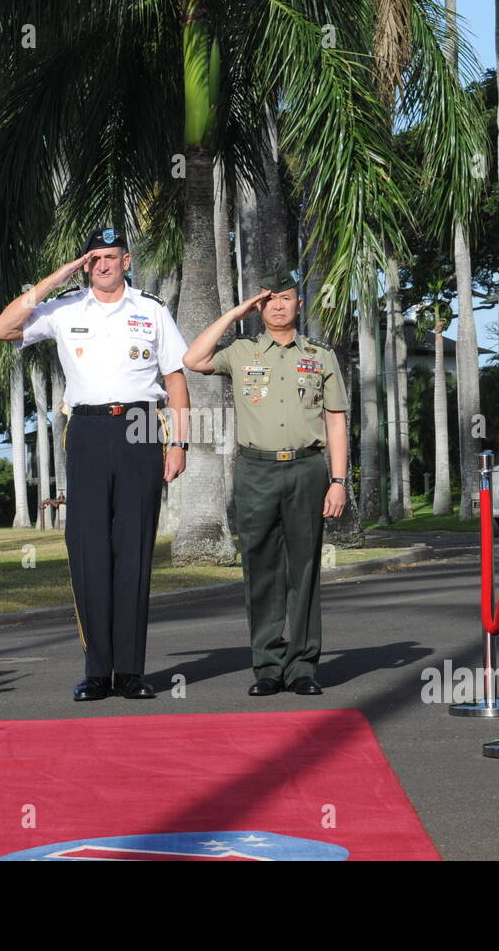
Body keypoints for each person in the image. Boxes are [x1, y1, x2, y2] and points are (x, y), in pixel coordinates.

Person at [0, 227, 189, 701]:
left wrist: (180, 442)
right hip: (85, 429)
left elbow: (176, 378)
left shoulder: (152, 309)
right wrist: (57, 277)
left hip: (140, 425)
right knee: (89, 551)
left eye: (111, 256)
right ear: (86, 263)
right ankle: (98, 671)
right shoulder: (64, 309)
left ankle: (132, 672)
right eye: (94, 258)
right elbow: (2, 329)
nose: (103, 265)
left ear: (127, 260)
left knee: (135, 549)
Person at [182, 268, 346, 696]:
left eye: (285, 297)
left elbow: (335, 419)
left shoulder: (320, 354)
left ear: (298, 303)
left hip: (307, 469)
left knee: (304, 568)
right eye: (268, 299)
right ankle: (268, 666)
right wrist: (236, 312)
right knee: (261, 570)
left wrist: (339, 480)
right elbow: (193, 359)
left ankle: (304, 666)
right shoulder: (241, 351)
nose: (277, 305)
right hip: (255, 470)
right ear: (259, 305)